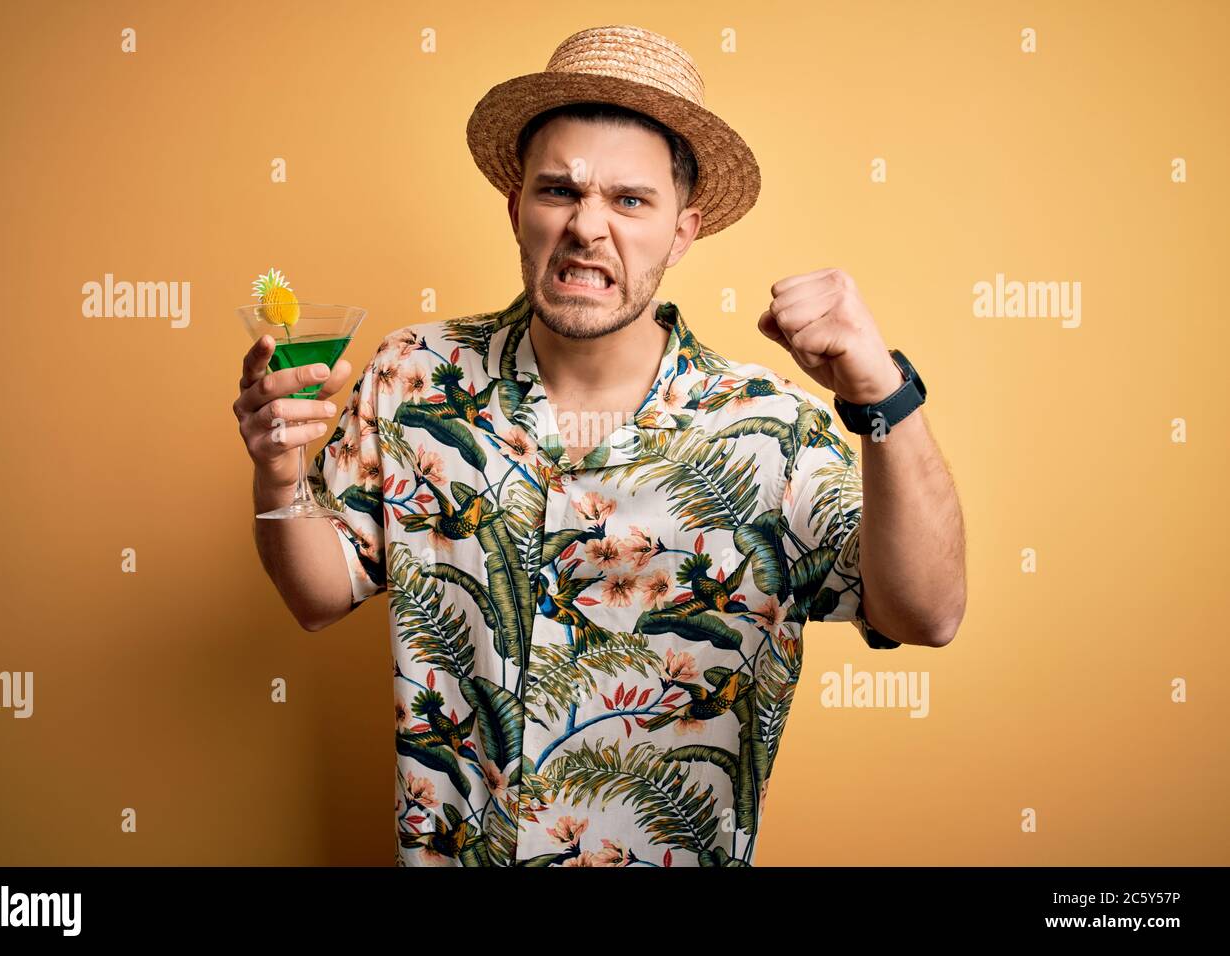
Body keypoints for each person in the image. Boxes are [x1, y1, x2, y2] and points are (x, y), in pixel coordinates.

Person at [232, 24, 965, 867]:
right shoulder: (411, 374)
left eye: (629, 200)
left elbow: (928, 613)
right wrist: (277, 472)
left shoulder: (770, 431)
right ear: (517, 210)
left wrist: (885, 395)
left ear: (682, 233)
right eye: (558, 192)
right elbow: (318, 594)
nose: (588, 227)